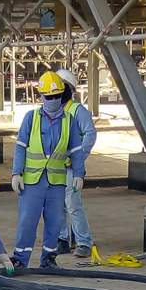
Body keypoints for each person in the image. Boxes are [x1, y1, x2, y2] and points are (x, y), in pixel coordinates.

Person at [10, 71, 83, 270]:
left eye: (56, 96)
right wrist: (16, 173)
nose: (52, 100)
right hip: (32, 181)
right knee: (27, 221)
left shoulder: (70, 121)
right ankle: (20, 258)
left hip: (56, 183)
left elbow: (77, 150)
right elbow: (20, 146)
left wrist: (79, 174)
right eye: (48, 97)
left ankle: (49, 257)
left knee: (55, 222)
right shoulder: (31, 118)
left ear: (62, 96)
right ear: (41, 96)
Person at [52, 67, 98, 258]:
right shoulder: (54, 111)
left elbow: (90, 133)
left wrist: (78, 157)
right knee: (58, 205)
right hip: (56, 167)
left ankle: (84, 242)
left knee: (73, 205)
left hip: (72, 168)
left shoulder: (78, 111)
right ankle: (62, 240)